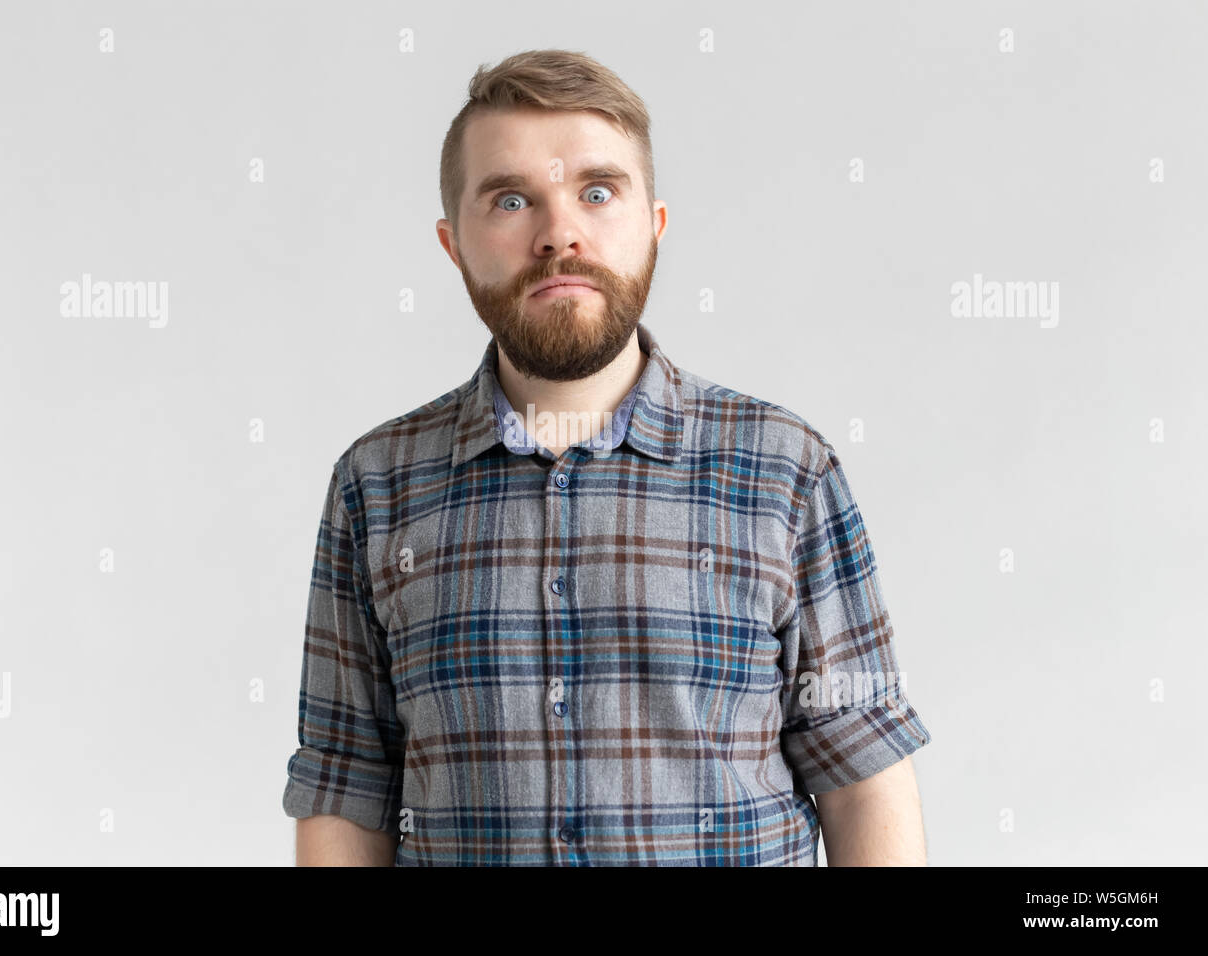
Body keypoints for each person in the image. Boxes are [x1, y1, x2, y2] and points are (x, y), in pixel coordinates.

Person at [283, 49, 932, 866]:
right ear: (454, 246)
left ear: (653, 224)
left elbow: (863, 776)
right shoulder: (374, 489)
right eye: (512, 199)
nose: (560, 233)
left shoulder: (786, 470)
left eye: (597, 191)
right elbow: (345, 787)